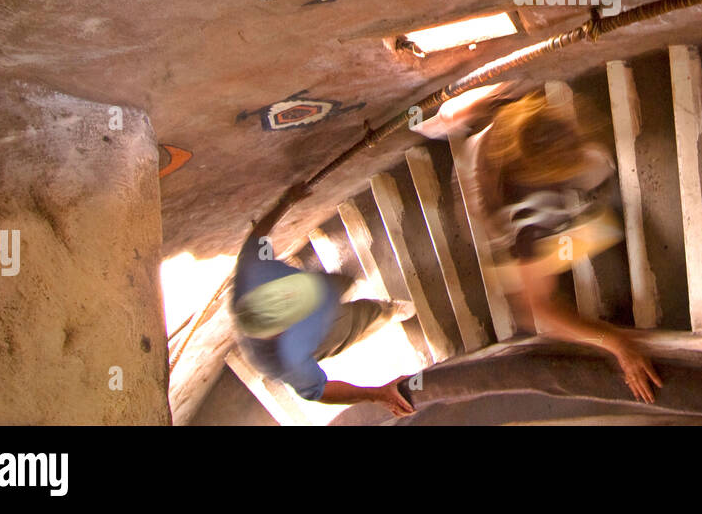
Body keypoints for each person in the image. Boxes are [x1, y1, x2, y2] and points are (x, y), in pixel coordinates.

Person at [463, 87, 663, 404]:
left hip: (488, 157)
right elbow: (536, 311)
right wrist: (613, 342)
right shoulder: (528, 219)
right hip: (503, 211)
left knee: (598, 180)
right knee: (597, 230)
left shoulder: (519, 124)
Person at [230, 182, 415, 416]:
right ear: (281, 330)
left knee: (340, 283)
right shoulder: (288, 362)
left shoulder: (252, 272)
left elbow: (257, 237)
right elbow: (321, 391)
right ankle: (385, 312)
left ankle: (358, 300)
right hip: (325, 332)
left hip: (319, 290)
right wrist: (377, 394)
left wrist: (284, 204)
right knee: (357, 320)